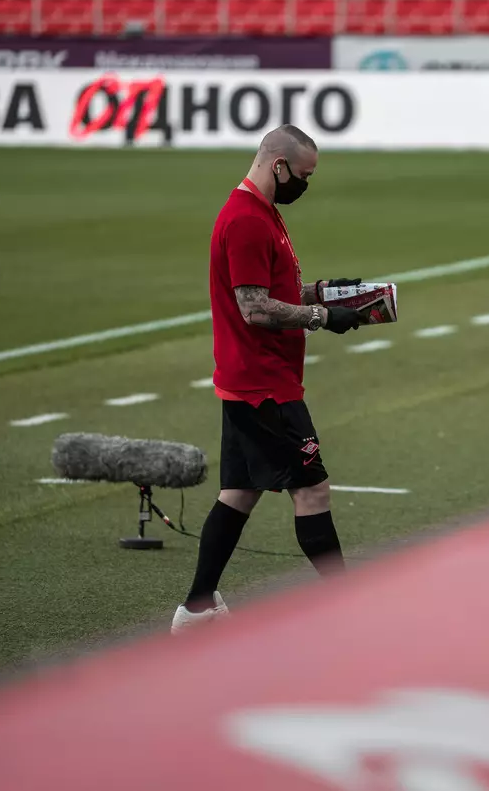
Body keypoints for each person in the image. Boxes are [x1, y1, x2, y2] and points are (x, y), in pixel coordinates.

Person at [172, 124, 365, 633]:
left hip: (251, 379)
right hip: (264, 384)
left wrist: (323, 294)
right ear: (277, 165)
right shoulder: (247, 220)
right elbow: (254, 308)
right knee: (313, 491)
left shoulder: (261, 213)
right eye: (302, 175)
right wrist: (323, 318)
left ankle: (197, 608)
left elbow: (271, 289)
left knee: (239, 491)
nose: (304, 184)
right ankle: (350, 609)